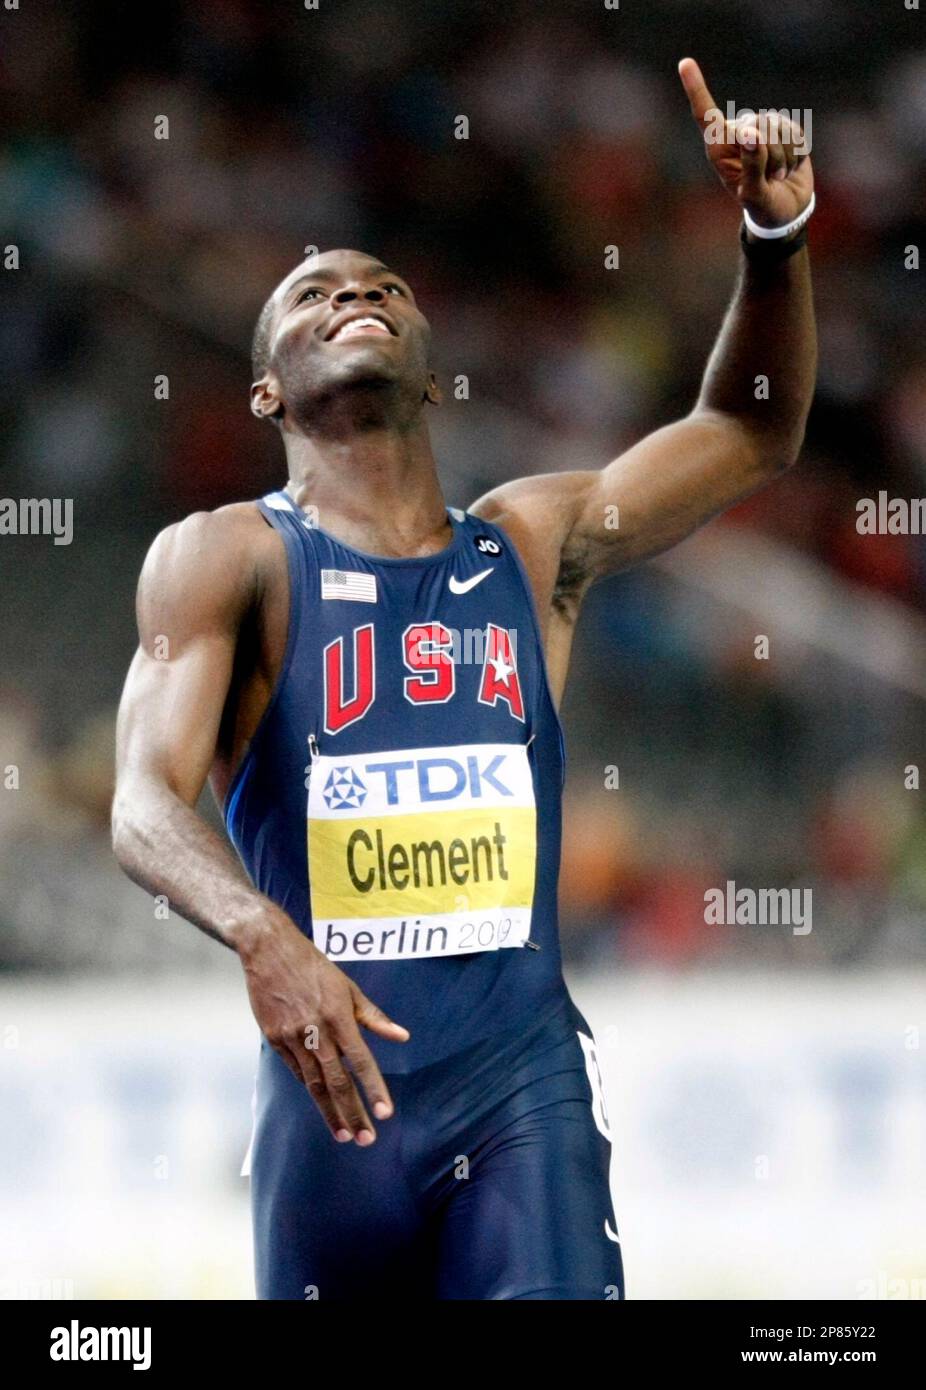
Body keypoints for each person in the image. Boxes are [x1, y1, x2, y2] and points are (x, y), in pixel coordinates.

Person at [112, 60, 817, 1299]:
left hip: (520, 1098)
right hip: (336, 1123)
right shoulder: (226, 557)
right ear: (268, 386)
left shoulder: (531, 542)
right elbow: (141, 802)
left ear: (434, 375)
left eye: (382, 287)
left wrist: (774, 236)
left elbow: (751, 430)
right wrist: (260, 932)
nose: (355, 295)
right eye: (313, 293)